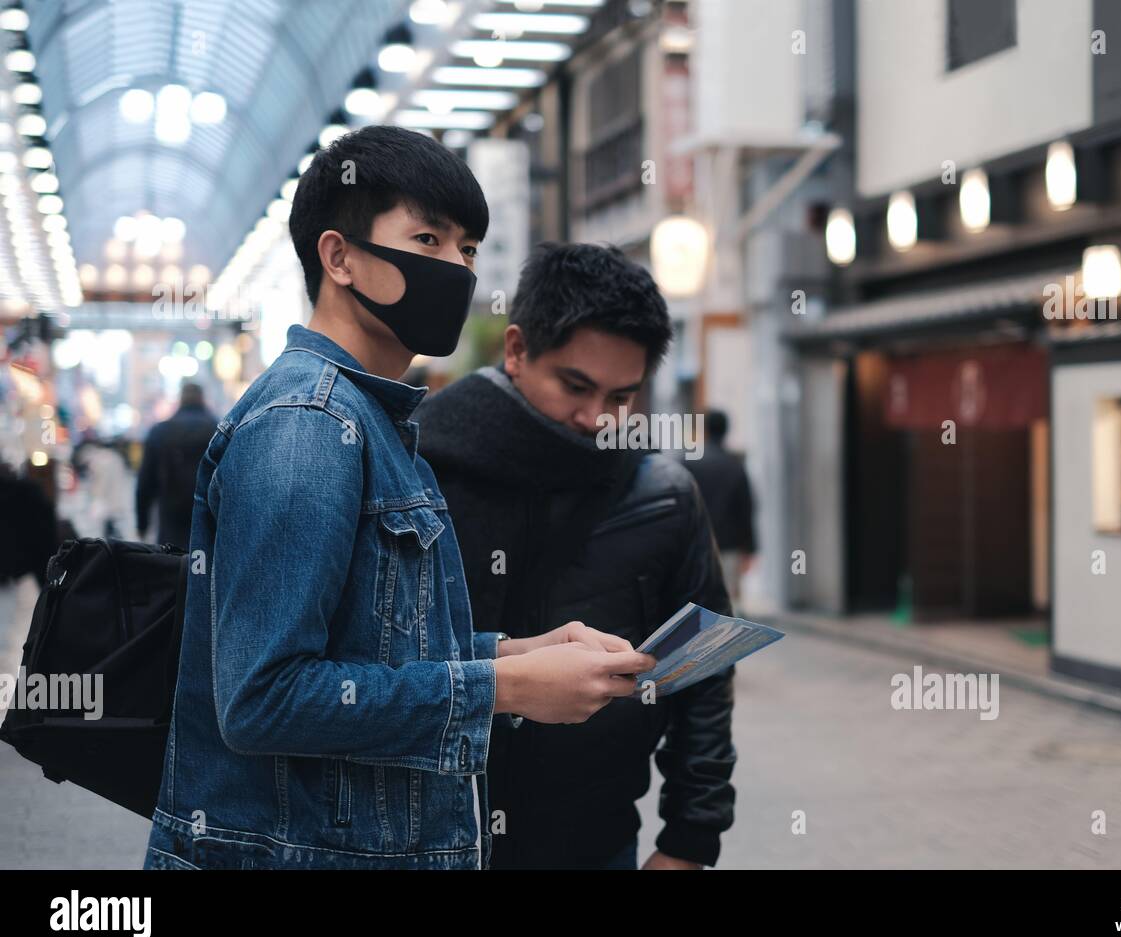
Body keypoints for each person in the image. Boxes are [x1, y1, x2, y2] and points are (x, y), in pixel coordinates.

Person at [143, 126, 653, 872]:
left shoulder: (371, 419)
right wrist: (504, 689)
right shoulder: (308, 426)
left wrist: (519, 653)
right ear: (339, 256)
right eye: (428, 238)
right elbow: (262, 698)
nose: (455, 267)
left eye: (469, 250)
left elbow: (375, 652)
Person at [416, 242, 736, 870]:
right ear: (516, 350)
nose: (597, 418)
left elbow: (706, 671)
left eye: (621, 397)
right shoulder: (419, 472)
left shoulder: (662, 494)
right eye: (575, 385)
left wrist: (690, 841)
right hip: (427, 838)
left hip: (596, 840)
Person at [683, 409, 756, 610]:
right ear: (726, 430)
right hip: (729, 545)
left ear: (705, 429)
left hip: (696, 544)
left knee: (697, 602)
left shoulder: (689, 462)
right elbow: (746, 508)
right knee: (728, 602)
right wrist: (749, 549)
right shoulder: (735, 465)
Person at [135, 382, 219, 548]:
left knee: (172, 567)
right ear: (203, 399)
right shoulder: (218, 430)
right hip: (211, 523)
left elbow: (145, 484)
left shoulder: (160, 432)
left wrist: (142, 525)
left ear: (180, 400)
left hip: (171, 522)